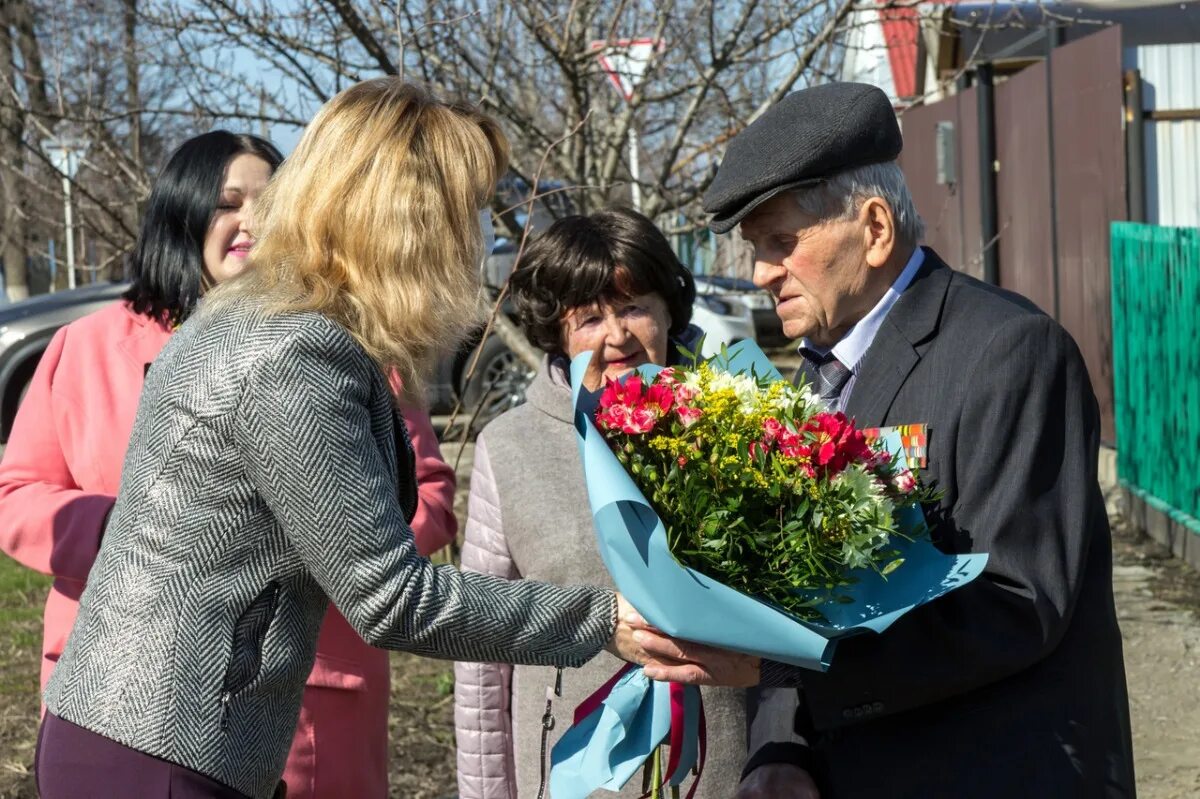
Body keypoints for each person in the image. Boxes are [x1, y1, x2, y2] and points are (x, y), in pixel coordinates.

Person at [33, 79, 756, 799]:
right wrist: (602, 618)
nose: (473, 244)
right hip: (165, 747)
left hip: (125, 728)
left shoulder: (245, 317)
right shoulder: (295, 354)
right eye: (462, 214)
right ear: (404, 221)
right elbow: (388, 595)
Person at [637, 81, 1135, 798]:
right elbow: (788, 594)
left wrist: (795, 664)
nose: (760, 273)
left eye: (782, 242)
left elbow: (1015, 604)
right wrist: (779, 747)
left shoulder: (1009, 353)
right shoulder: (806, 383)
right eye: (755, 248)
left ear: (873, 229)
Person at [0, 129, 459, 798]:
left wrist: (342, 544)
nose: (251, 221)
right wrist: (119, 530)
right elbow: (16, 491)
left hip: (308, 693)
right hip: (127, 699)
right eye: (227, 201)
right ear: (181, 214)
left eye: (271, 202)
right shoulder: (86, 348)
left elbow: (430, 490)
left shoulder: (353, 342)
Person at [454, 208, 754, 798]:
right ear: (557, 335)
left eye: (634, 307)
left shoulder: (738, 425)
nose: (616, 336)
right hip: (568, 773)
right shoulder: (509, 446)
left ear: (669, 309)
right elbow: (481, 660)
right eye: (589, 318)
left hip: (727, 771)